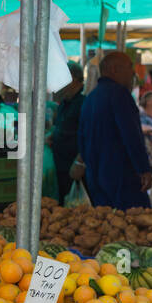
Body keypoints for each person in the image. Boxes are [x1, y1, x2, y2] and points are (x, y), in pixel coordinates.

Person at [76, 50, 149, 210]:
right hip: (121, 177)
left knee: (105, 225)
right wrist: (143, 169)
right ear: (115, 69)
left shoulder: (91, 97)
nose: (133, 73)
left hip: (95, 177)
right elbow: (131, 135)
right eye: (130, 67)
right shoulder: (119, 95)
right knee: (132, 224)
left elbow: (81, 137)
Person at [48, 61, 85, 204]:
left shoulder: (83, 103)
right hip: (61, 167)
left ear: (73, 78)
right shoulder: (64, 103)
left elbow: (88, 136)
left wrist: (79, 162)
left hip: (75, 169)